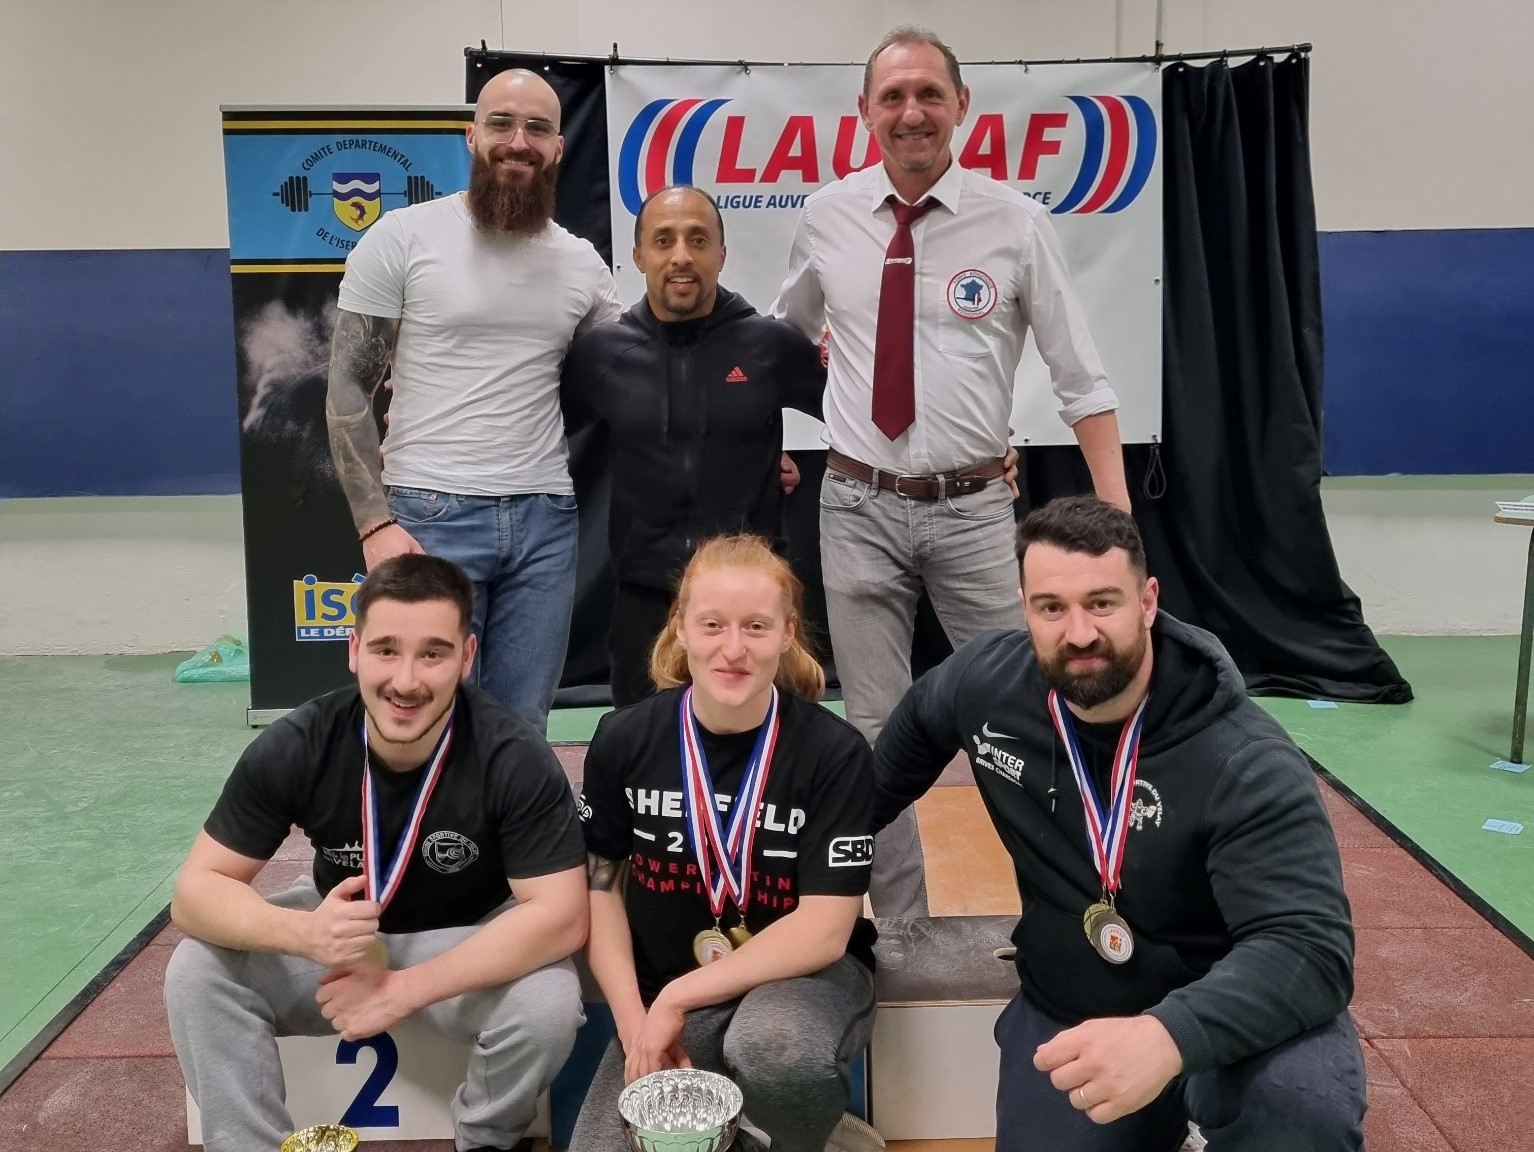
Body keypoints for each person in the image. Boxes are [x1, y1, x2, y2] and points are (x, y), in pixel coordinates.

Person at [871, 496, 1365, 1151]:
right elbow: (868, 789)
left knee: (1301, 1107)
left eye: (1102, 603)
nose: (1078, 633)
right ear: (1024, 607)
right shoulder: (982, 685)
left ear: (1148, 601)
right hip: (1072, 1010)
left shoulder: (1243, 758)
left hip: (1226, 1018)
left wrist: (1168, 1036)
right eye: (1052, 608)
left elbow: (1310, 949)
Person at [771, 25, 1132, 919]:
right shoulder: (826, 217)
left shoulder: (1016, 224)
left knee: (1026, 717)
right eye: (891, 97)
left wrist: (1119, 530)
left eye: (929, 93)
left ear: (962, 106)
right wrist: (765, 439)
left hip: (975, 511)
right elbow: (777, 341)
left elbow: (1081, 378)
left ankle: (1062, 916)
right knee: (874, 734)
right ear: (863, 114)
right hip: (855, 504)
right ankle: (896, 928)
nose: (911, 112)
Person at [164, 554, 590, 1152]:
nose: (407, 681)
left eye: (433, 653)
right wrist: (303, 935)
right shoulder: (301, 742)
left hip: (468, 940)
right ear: (354, 650)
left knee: (547, 1002)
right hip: (340, 943)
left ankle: (487, 1139)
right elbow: (194, 893)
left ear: (467, 657)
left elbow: (561, 916)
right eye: (386, 650)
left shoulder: (513, 755)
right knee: (197, 971)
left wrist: (403, 989)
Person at [326, 67, 622, 731]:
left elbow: (637, 372)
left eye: (537, 128)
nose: (518, 141)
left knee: (520, 730)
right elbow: (348, 386)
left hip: (545, 522)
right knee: (426, 721)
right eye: (502, 124)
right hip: (429, 516)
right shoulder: (402, 237)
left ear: (558, 149)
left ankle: (508, 840)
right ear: (472, 135)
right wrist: (375, 526)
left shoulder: (581, 264)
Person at [569, 534, 878, 1152]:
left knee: (775, 1054)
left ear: (788, 633)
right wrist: (637, 1027)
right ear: (680, 628)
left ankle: (805, 1129)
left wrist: (679, 998)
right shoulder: (623, 740)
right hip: (665, 991)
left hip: (801, 981)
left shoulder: (833, 753)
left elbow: (823, 930)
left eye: (756, 626)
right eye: (712, 624)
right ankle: (752, 1126)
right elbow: (600, 887)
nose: (732, 649)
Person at [561, 185, 825, 707]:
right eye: (663, 240)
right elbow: (533, 430)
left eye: (698, 239)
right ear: (638, 256)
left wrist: (977, 452)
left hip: (750, 598)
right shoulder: (603, 354)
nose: (681, 256)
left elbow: (861, 420)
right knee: (642, 754)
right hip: (644, 596)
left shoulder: (769, 346)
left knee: (760, 756)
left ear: (722, 254)